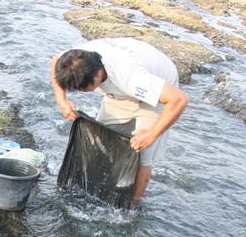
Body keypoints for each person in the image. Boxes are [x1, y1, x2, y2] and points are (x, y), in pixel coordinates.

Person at [51, 37, 188, 203]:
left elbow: (179, 100)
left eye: (82, 87)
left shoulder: (128, 75)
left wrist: (151, 135)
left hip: (158, 95)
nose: (80, 91)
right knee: (98, 139)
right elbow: (55, 61)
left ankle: (132, 207)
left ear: (97, 74)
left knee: (141, 152)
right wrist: (62, 100)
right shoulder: (72, 60)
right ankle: (100, 187)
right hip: (120, 94)